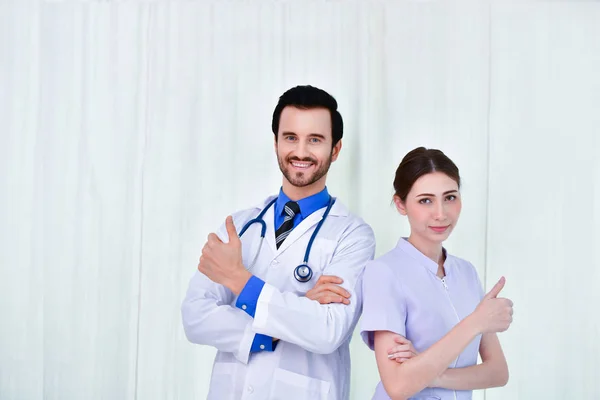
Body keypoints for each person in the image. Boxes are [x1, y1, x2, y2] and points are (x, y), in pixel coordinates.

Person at [181, 85, 376, 400]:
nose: (300, 151)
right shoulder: (240, 226)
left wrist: (238, 280)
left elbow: (328, 330)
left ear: (335, 149)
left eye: (315, 139)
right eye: (290, 137)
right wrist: (281, 325)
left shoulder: (352, 235)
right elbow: (195, 316)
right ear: (275, 143)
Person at [359, 147, 513, 400]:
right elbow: (397, 386)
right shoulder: (384, 272)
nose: (441, 213)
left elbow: (497, 372)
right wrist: (475, 323)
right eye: (425, 200)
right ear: (401, 204)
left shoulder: (466, 273)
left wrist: (432, 375)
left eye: (450, 197)